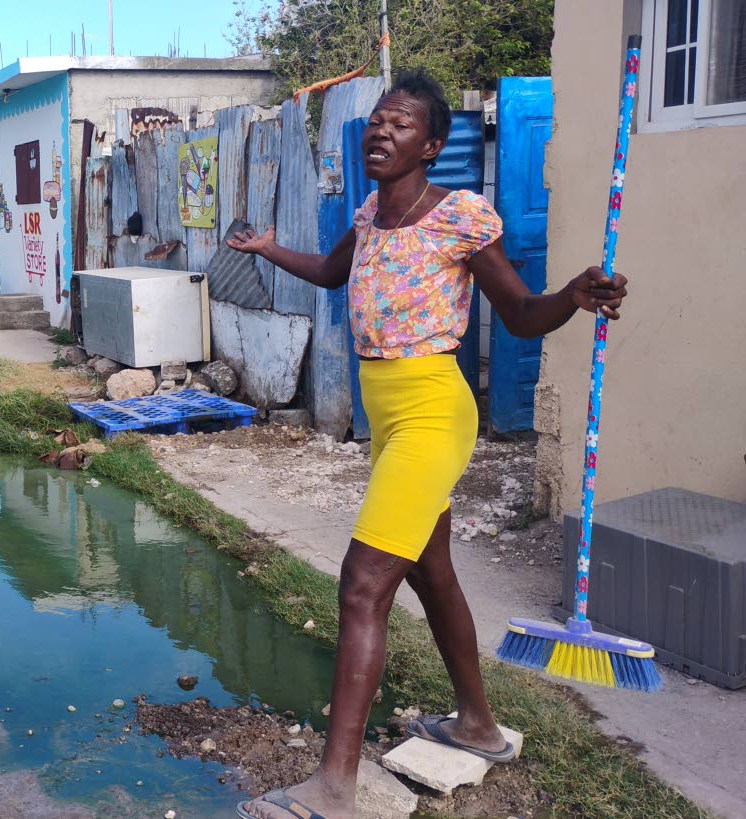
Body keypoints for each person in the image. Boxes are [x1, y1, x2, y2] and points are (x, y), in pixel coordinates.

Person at [227, 71, 628, 819]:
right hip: (387, 416)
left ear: (431, 145)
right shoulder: (374, 212)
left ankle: (334, 787)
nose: (380, 130)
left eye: (399, 124)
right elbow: (329, 270)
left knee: (361, 582)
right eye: (377, 120)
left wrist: (570, 299)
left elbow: (518, 314)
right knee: (430, 572)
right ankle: (477, 726)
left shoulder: (460, 218)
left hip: (433, 412)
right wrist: (269, 247)